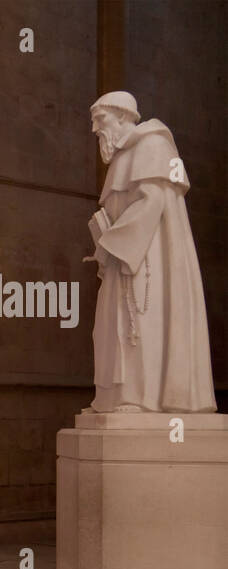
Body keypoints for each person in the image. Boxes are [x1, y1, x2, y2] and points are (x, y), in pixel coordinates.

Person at [83, 91, 217, 414]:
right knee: (109, 327)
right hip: (123, 252)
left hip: (146, 257)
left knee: (140, 325)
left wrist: (112, 240)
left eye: (100, 121)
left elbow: (152, 201)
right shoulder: (121, 158)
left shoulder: (153, 145)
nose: (95, 130)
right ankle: (112, 398)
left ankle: (140, 399)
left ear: (122, 116)